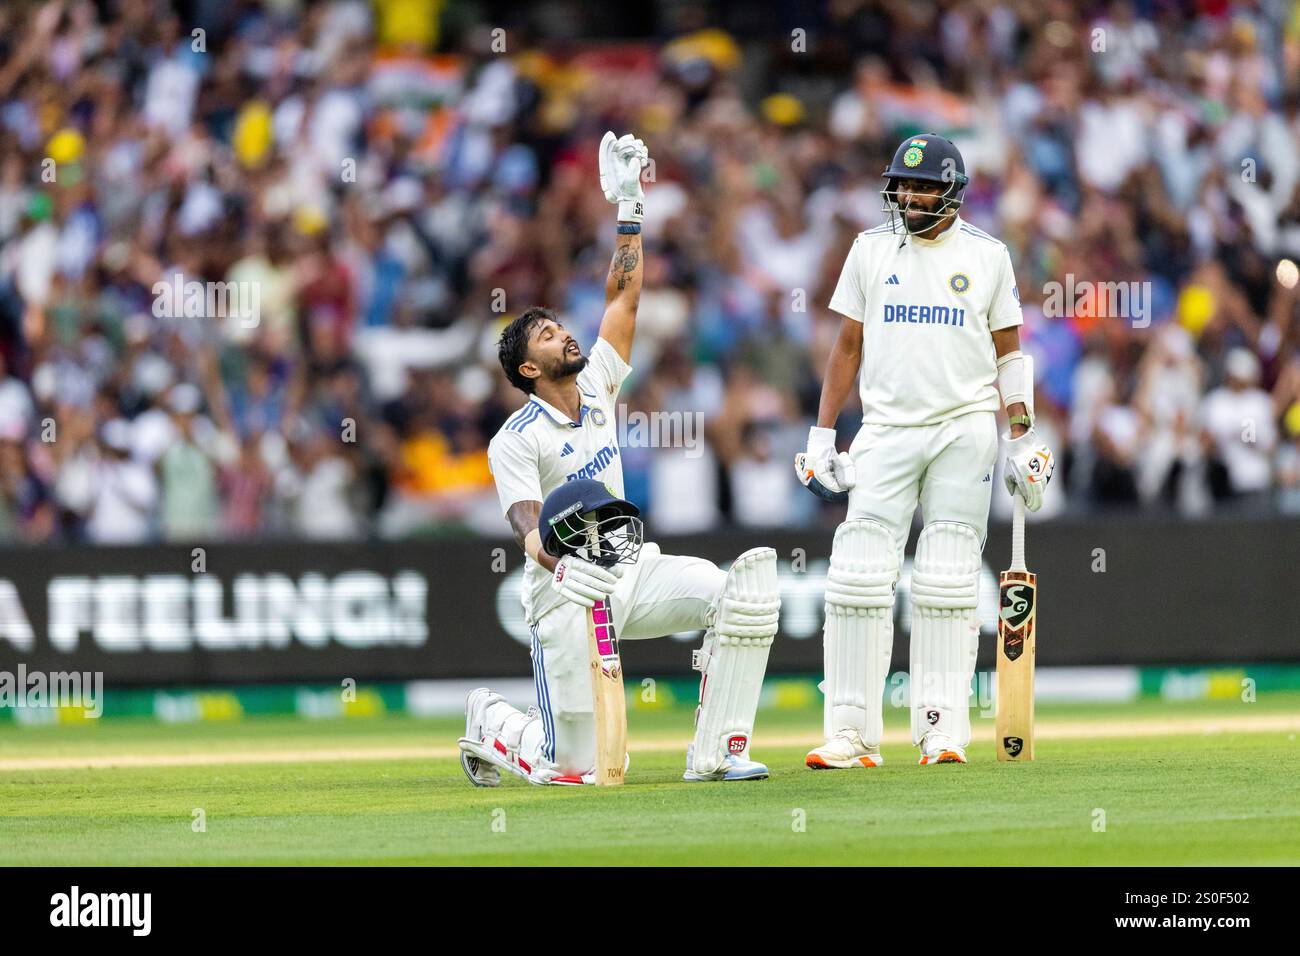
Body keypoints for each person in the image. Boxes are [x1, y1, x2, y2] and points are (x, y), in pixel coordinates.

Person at [457, 133, 780, 786]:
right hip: (565, 596)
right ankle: (491, 719)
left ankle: (718, 750)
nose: (565, 334)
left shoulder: (600, 380)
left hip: (632, 569)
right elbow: (526, 526)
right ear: (527, 367)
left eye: (560, 326)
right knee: (578, 771)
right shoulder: (516, 438)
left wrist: (630, 206)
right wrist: (563, 565)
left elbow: (623, 298)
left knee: (736, 598)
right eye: (548, 334)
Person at [797, 133, 1055, 768]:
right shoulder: (869, 249)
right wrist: (822, 434)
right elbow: (847, 346)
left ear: (953, 192)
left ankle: (941, 730)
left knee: (947, 577)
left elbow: (1009, 355)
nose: (910, 196)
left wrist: (1022, 436)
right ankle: (851, 734)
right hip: (884, 427)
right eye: (903, 185)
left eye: (924, 187)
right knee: (857, 575)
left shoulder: (989, 256)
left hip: (963, 427)